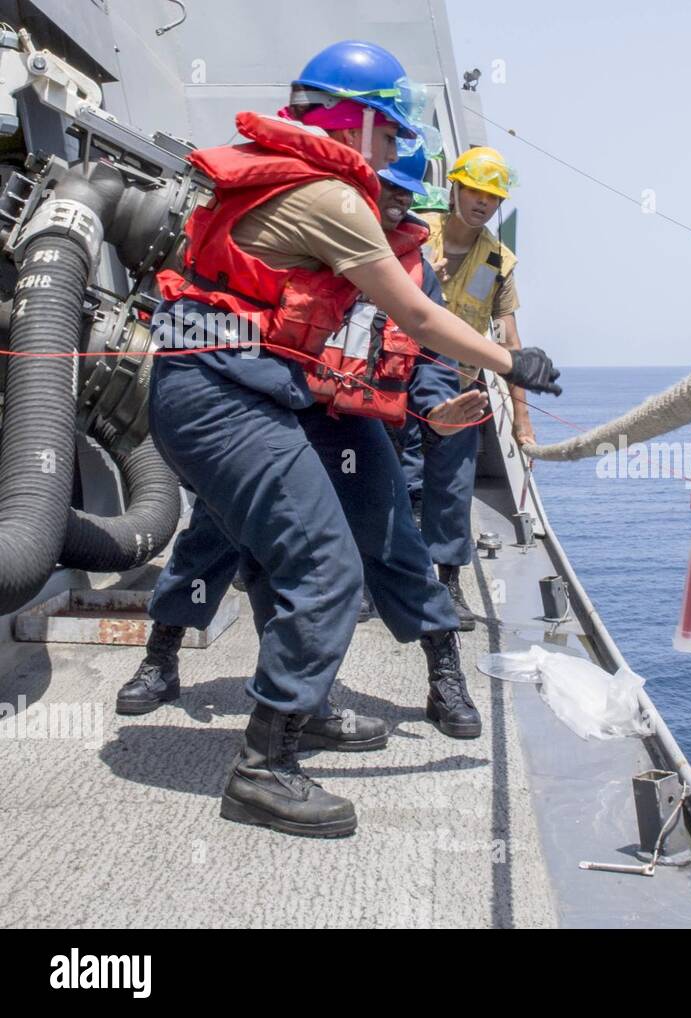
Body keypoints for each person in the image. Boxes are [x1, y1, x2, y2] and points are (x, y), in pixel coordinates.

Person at [144, 40, 560, 839]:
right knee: (317, 563)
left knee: (339, 549)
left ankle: (318, 707)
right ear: (361, 125)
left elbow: (390, 350)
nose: (400, 164)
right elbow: (418, 321)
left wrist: (423, 412)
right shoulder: (333, 201)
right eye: (395, 137)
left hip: (266, 393)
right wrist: (516, 362)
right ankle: (263, 766)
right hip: (231, 395)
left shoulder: (307, 192)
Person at [117, 148, 484, 751]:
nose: (393, 202)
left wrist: (437, 414)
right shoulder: (303, 227)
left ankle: (444, 674)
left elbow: (430, 355)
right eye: (383, 188)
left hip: (352, 425)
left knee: (396, 544)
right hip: (268, 413)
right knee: (211, 535)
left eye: (404, 194)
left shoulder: (416, 273)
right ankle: (162, 657)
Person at [393, 146, 530, 630]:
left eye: (492, 197)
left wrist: (523, 425)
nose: (482, 203)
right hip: (397, 374)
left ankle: (448, 583)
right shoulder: (412, 231)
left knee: (452, 486)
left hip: (460, 384)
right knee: (395, 477)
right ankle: (386, 579)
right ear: (454, 187)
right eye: (474, 190)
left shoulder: (499, 260)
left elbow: (509, 338)